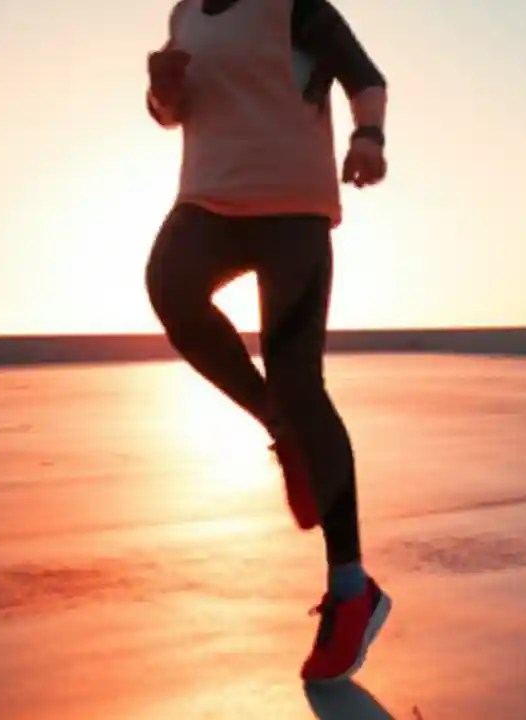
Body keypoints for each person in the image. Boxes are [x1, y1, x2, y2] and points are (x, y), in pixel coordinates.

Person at [143, 0, 390, 683]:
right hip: (209, 202)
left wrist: (368, 137)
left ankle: (352, 591)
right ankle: (279, 426)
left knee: (300, 382)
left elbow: (363, 76)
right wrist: (163, 94)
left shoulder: (292, 5)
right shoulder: (185, 14)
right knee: (171, 289)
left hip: (293, 211)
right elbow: (176, 112)